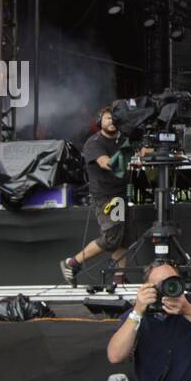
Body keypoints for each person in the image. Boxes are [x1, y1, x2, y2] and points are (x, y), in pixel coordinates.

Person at [61, 107, 129, 286]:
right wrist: (128, 155)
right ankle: (73, 263)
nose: (112, 121)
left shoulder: (123, 140)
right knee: (111, 238)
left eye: (114, 118)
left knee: (120, 238)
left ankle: (119, 279)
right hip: (106, 197)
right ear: (100, 121)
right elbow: (105, 163)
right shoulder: (94, 143)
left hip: (119, 195)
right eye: (108, 118)